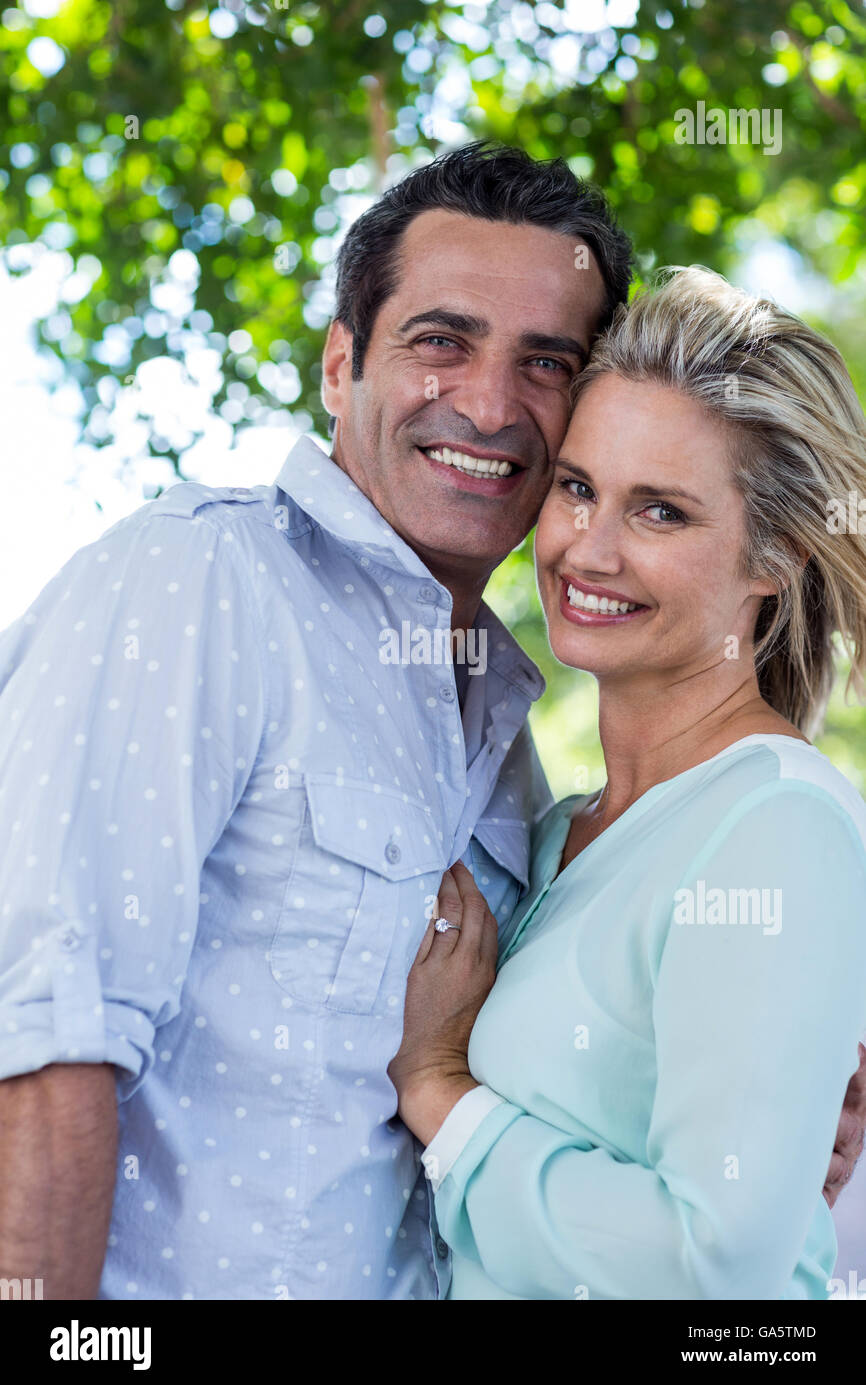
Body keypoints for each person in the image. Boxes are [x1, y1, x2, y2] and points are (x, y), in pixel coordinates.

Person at [0, 144, 861, 1301]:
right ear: (340, 361)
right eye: (439, 339)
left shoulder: (512, 750)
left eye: (544, 361)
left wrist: (771, 1092)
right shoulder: (198, 580)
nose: (491, 404)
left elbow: (698, 1231)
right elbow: (43, 1037)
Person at [388, 267, 866, 1299]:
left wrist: (440, 1092)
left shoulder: (774, 823)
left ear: (773, 554)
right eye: (575, 487)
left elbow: (710, 1266)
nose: (584, 550)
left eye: (658, 512)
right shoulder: (556, 829)